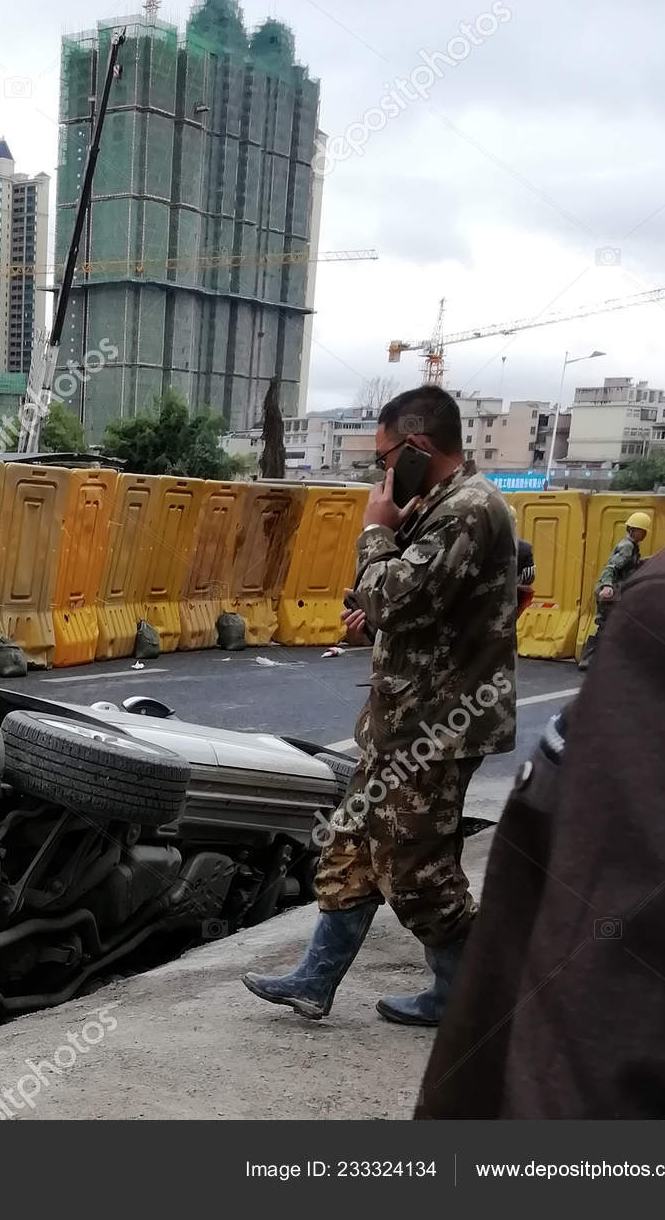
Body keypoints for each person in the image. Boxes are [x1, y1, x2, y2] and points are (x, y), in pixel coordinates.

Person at [418, 506, 665, 1116]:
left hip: (434, 726)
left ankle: (434, 976)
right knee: (368, 857)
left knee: (413, 867)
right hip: (435, 722)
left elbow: (612, 1039)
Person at [241, 386, 519, 1026]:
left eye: (384, 458)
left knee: (419, 875)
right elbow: (419, 609)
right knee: (349, 849)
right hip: (402, 723)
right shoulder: (440, 506)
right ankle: (315, 979)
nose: (382, 474)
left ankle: (471, 998)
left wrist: (374, 531)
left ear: (417, 447)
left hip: (436, 730)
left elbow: (398, 595)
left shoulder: (467, 510)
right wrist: (375, 618)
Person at [578, 511, 651, 670]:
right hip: (610, 591)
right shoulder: (627, 547)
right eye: (642, 531)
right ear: (633, 530)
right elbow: (611, 567)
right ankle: (588, 659)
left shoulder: (632, 547)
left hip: (616, 591)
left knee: (614, 624)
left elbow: (630, 567)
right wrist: (607, 586)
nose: (644, 534)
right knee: (607, 625)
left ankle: (603, 659)